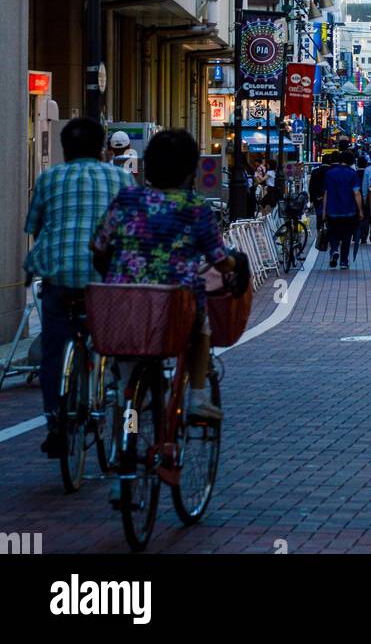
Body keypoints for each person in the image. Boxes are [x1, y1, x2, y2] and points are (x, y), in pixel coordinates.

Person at [90, 128, 236, 421]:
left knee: (130, 366)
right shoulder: (195, 208)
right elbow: (219, 261)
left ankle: (126, 422)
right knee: (201, 330)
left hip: (125, 301)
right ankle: (196, 396)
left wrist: (114, 275)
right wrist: (236, 265)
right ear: (189, 170)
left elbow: (98, 246)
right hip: (175, 304)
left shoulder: (127, 199)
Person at [24, 117, 133, 457]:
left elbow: (35, 227)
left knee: (54, 351)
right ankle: (114, 395)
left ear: (64, 148)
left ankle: (56, 420)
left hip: (59, 277)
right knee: (117, 346)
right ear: (102, 148)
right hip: (104, 280)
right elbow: (130, 228)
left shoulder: (49, 178)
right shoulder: (119, 177)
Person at [322, 149, 364, 269]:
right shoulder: (352, 173)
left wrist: (324, 211)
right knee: (346, 236)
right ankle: (344, 261)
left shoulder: (330, 173)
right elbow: (356, 193)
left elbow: (326, 193)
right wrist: (360, 210)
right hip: (349, 210)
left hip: (332, 210)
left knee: (333, 232)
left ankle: (334, 250)